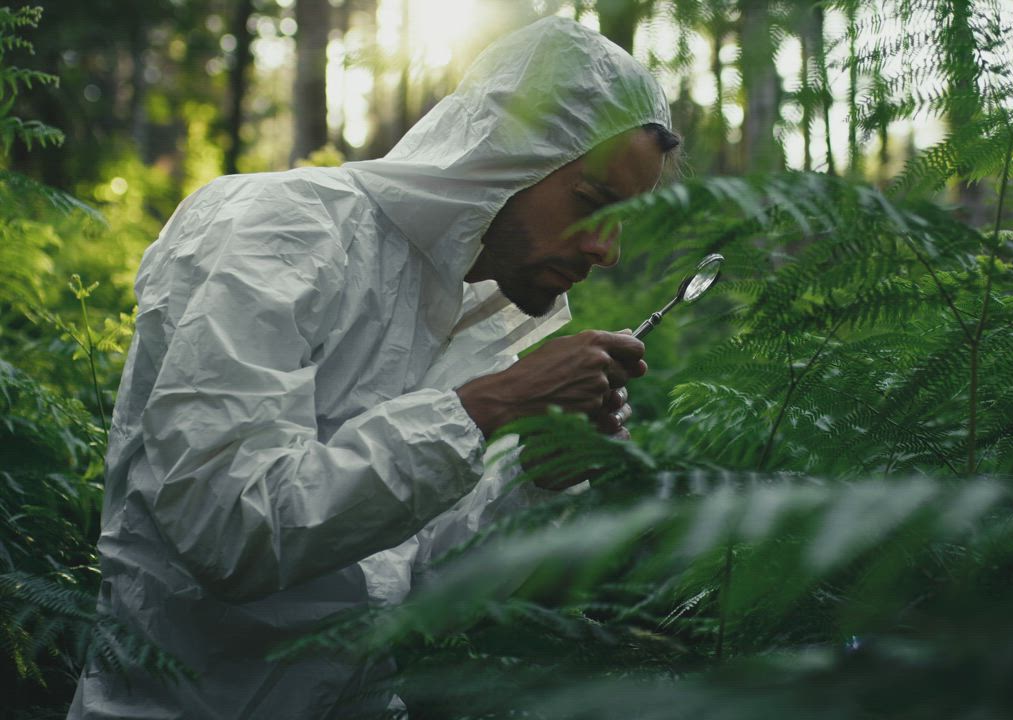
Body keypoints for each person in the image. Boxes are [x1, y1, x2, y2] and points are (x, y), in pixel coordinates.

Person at [68, 16, 678, 719]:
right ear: (513, 152)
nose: (607, 250)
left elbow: (415, 588)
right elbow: (228, 527)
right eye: (592, 203)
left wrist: (536, 477)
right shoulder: (275, 228)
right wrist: (485, 408)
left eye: (622, 218)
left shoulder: (472, 315)